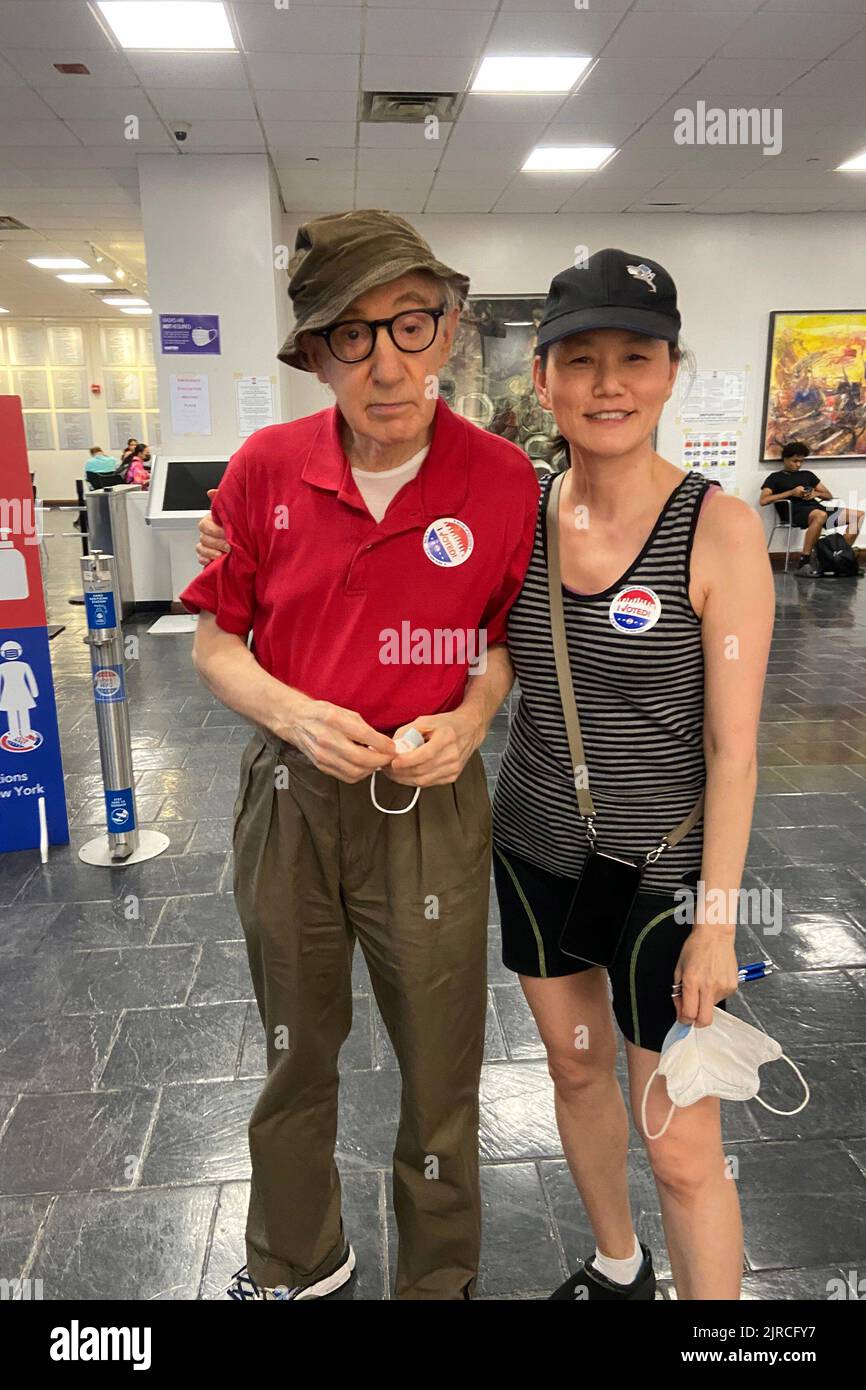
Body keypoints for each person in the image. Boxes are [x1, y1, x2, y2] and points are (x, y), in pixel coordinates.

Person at [181, 209, 539, 1301]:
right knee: (296, 1048)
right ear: (315, 349)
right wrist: (290, 713)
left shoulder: (500, 480)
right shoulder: (264, 468)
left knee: (440, 1064)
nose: (386, 362)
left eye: (410, 324)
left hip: (427, 809)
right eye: (352, 333)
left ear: (448, 327)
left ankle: (437, 1278)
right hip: (289, 801)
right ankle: (298, 1258)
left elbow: (500, 645)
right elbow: (215, 640)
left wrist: (474, 718)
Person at [491, 249, 775, 1300]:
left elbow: (732, 750)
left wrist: (713, 922)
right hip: (534, 854)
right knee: (573, 1068)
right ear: (542, 377)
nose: (607, 383)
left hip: (660, 879)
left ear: (667, 374)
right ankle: (616, 1264)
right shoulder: (513, 514)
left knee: (681, 1145)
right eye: (581, 359)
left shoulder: (718, 529)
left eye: (635, 357)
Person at [760, 440, 864, 576]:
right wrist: (791, 492)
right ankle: (804, 561)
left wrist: (814, 493)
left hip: (817, 509)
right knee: (819, 515)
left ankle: (837, 556)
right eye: (794, 461)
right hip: (794, 513)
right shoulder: (775, 478)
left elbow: (828, 495)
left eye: (801, 461)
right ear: (785, 459)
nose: (798, 464)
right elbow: (764, 500)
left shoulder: (807, 475)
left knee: (858, 515)